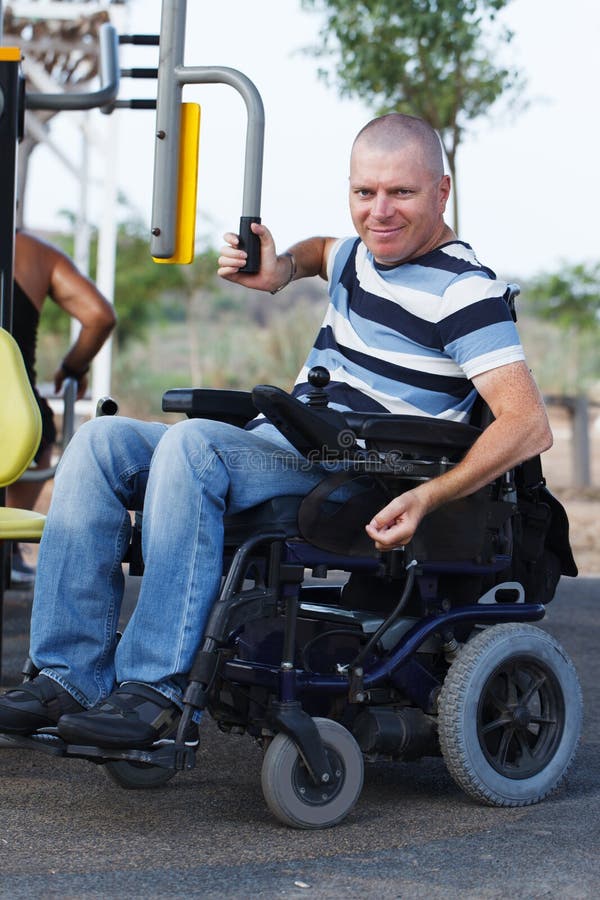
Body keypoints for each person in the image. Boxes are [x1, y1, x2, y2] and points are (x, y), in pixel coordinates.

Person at [0, 114, 552, 747]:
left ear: (442, 191)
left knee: (194, 443)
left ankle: (155, 690)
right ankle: (68, 676)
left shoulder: (465, 293)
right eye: (364, 192)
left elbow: (527, 424)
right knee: (99, 444)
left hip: (357, 472)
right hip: (283, 443)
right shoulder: (359, 254)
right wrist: (282, 267)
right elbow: (323, 249)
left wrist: (427, 496)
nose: (379, 212)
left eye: (402, 193)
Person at [7, 229, 117, 584]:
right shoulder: (32, 252)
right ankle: (9, 552)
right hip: (13, 421)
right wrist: (73, 368)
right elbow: (99, 315)